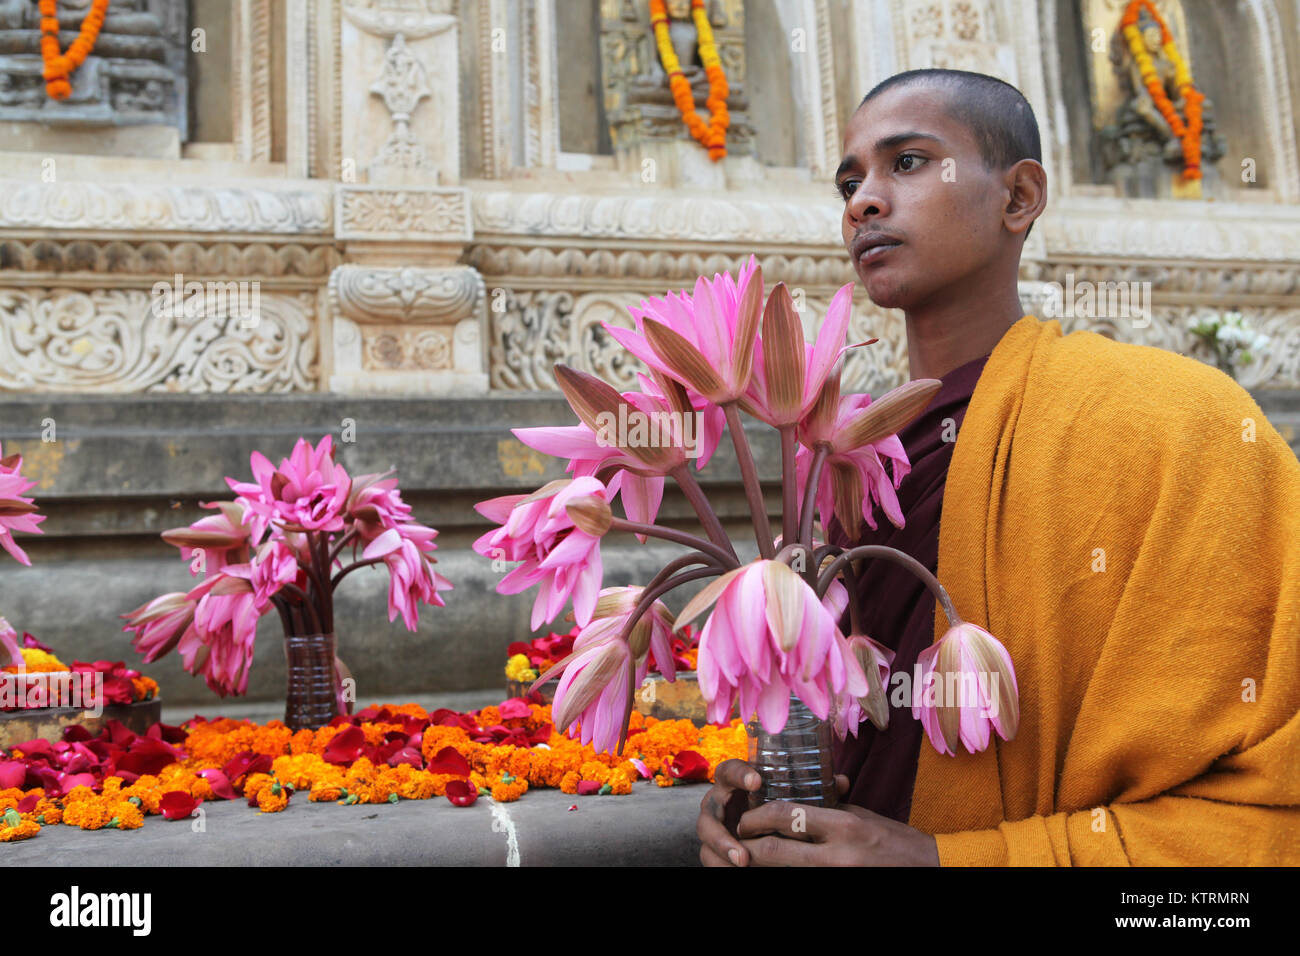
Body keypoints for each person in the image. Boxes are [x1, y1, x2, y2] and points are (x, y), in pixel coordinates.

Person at [696, 68, 1300, 866]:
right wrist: (782, 799)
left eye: (907, 162)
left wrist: (948, 862)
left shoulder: (1178, 423)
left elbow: (1261, 822)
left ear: (1018, 198)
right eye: (850, 181)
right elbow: (875, 744)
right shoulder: (851, 464)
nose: (862, 202)